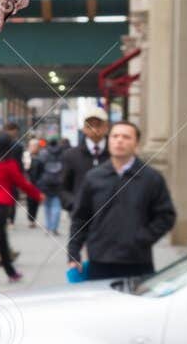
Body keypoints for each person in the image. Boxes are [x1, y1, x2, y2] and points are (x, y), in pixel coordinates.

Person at [68, 120, 177, 281]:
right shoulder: (93, 177)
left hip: (138, 261)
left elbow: (166, 216)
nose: (119, 140)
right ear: (109, 141)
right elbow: (80, 217)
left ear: (136, 143)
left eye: (126, 137)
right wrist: (73, 253)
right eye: (115, 136)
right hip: (100, 260)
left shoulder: (151, 178)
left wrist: (142, 238)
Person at [0, 131, 42, 282]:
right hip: (3, 206)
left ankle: (10, 272)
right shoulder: (9, 165)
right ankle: (9, 271)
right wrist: (37, 195)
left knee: (0, 239)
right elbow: (21, 183)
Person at [60, 107, 111, 211]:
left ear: (106, 127)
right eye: (90, 125)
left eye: (98, 124)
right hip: (80, 215)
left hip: (110, 215)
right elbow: (63, 187)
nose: (94, 129)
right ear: (84, 128)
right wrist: (74, 205)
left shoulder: (115, 154)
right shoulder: (71, 155)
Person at [31, 136, 69, 236]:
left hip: (45, 182)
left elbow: (37, 169)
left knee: (47, 205)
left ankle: (48, 227)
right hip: (59, 183)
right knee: (57, 206)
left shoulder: (43, 153)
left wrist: (37, 183)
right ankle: (54, 228)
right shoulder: (63, 154)